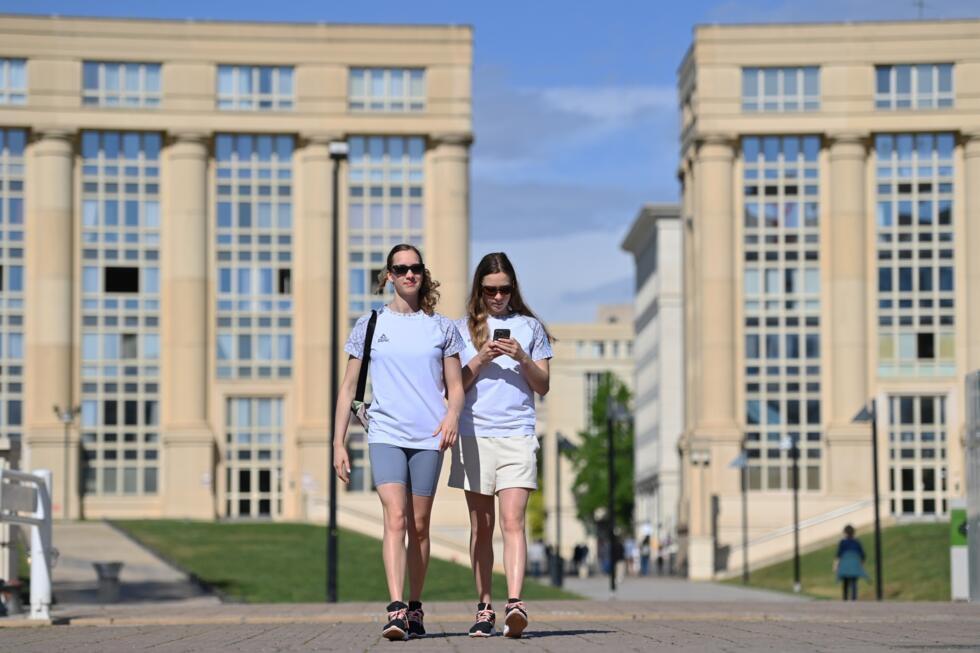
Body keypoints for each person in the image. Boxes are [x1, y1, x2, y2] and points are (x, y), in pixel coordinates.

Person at [333, 243, 464, 641]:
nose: (409, 275)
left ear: (423, 274)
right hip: (385, 433)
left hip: (428, 437)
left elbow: (456, 387)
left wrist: (452, 416)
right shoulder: (370, 324)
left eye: (415, 268)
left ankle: (416, 604)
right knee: (395, 517)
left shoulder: (442, 327)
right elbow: (348, 388)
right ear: (388, 275)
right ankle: (395, 609)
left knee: (420, 526)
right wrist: (338, 442)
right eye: (401, 269)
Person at [449, 252, 553, 639]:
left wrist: (522, 357)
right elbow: (452, 385)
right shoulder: (461, 329)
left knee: (512, 521)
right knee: (482, 526)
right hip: (474, 435)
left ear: (513, 289)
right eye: (490, 290)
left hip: (517, 435)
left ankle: (515, 603)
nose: (497, 297)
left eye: (504, 290)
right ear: (480, 289)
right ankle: (484, 607)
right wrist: (481, 357)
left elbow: (542, 385)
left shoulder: (530, 328)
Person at [834, 524, 868, 601]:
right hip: (854, 565)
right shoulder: (857, 542)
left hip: (845, 565)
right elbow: (862, 555)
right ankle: (854, 598)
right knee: (854, 582)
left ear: (845, 533)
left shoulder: (842, 542)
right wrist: (861, 565)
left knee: (845, 582)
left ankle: (845, 598)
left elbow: (838, 555)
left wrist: (836, 566)